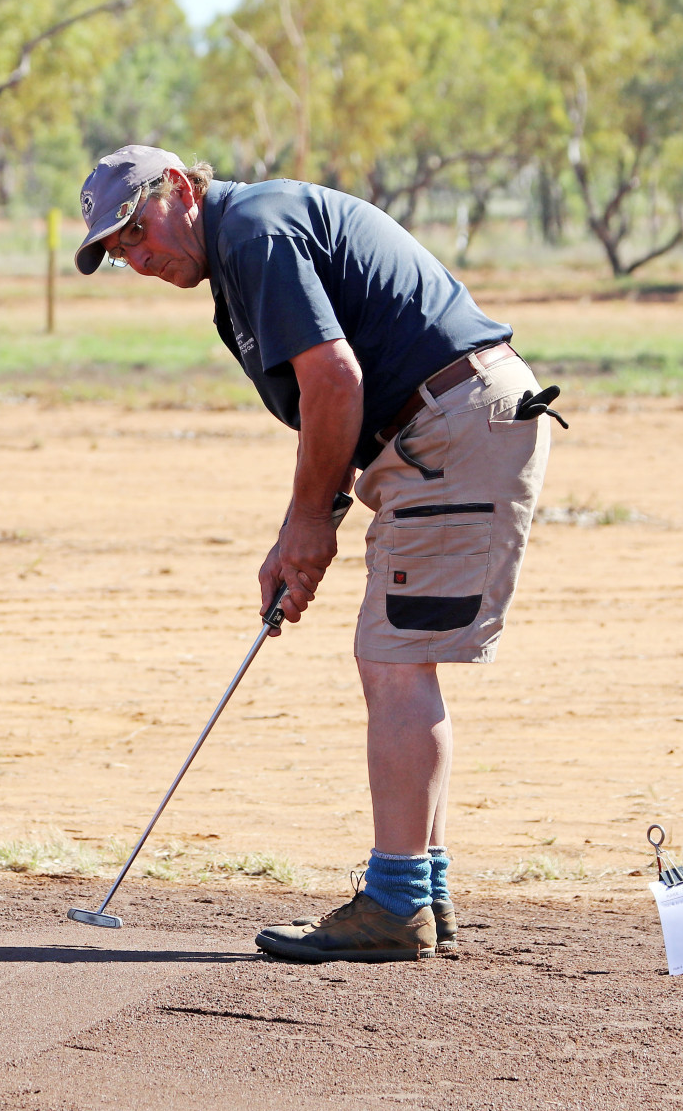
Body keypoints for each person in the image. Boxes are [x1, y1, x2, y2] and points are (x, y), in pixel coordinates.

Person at [74, 145, 559, 963]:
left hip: (451, 421)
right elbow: (333, 396)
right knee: (398, 655)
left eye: (138, 228)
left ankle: (398, 901)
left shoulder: (254, 231)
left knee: (397, 657)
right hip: (440, 427)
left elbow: (335, 379)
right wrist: (314, 518)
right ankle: (422, 893)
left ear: (183, 190)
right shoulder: (238, 246)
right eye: (119, 251)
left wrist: (307, 525)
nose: (137, 254)